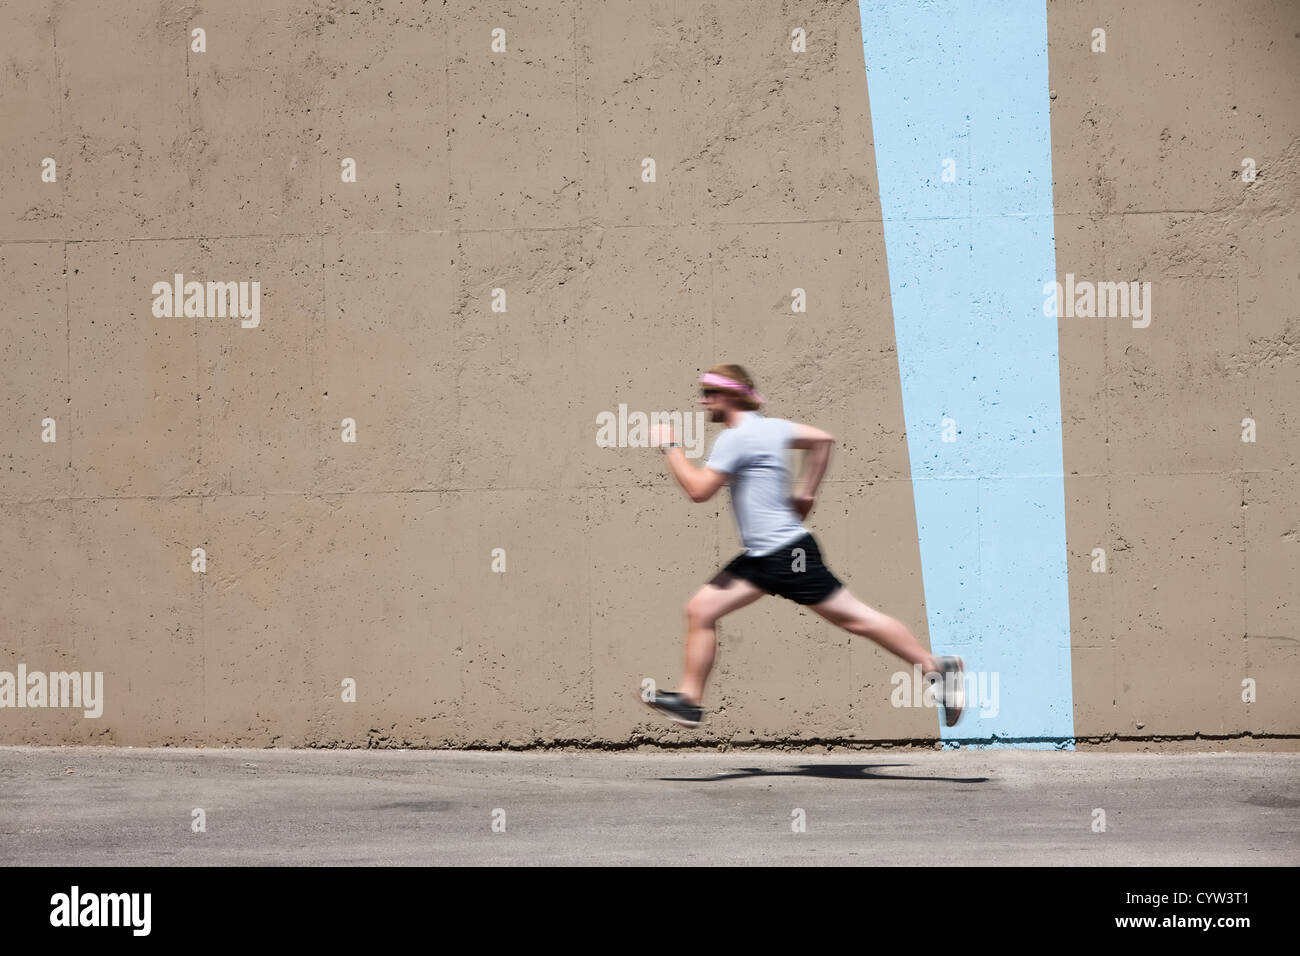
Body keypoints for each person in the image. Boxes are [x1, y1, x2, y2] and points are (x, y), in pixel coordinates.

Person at [642, 363, 965, 729]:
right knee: (701, 609)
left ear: (732, 395)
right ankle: (689, 701)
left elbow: (699, 491)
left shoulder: (736, 438)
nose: (704, 402)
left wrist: (669, 445)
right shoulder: (771, 427)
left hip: (785, 556)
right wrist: (807, 493)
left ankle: (938, 667)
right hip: (765, 557)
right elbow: (822, 440)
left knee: (856, 619)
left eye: (709, 393)